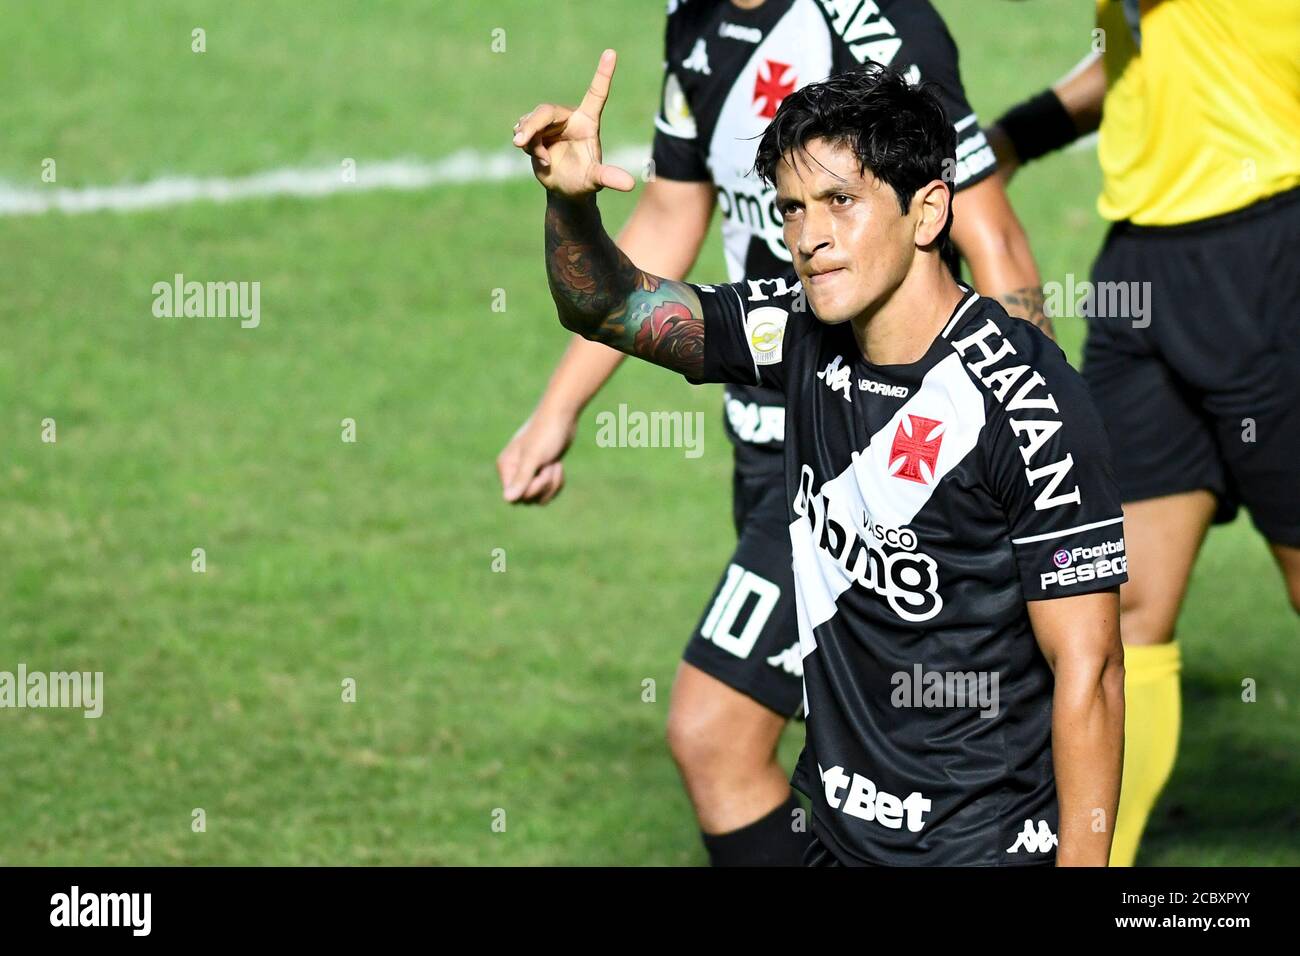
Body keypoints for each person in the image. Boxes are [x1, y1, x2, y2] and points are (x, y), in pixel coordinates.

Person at [516, 52, 1125, 865]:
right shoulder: (795, 327)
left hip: (981, 849)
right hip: (837, 837)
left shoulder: (1028, 401)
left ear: (929, 211)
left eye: (841, 201)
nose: (810, 237)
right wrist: (572, 209)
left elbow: (1090, 672)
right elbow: (610, 305)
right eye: (793, 209)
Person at [987, 0, 1300, 866]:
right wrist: (1008, 140)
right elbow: (1136, 62)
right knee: (1124, 605)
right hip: (1144, 275)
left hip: (1270, 250)